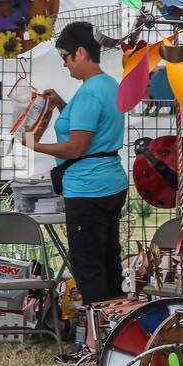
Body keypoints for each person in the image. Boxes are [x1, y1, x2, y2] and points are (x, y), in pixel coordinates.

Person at [28, 22, 129, 316]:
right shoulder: (109, 85)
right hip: (111, 181)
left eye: (66, 58)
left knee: (88, 265)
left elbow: (76, 147)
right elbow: (91, 131)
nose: (65, 65)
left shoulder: (88, 94)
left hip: (88, 188)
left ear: (81, 52)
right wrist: (61, 104)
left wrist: (34, 145)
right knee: (109, 258)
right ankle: (116, 329)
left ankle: (94, 340)